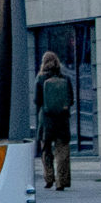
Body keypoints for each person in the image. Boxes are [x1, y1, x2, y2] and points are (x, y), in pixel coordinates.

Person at [34, 51, 74, 191]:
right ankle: (61, 181)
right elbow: (71, 100)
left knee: (46, 150)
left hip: (45, 120)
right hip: (62, 120)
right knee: (62, 150)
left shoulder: (40, 79)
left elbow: (36, 101)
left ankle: (49, 178)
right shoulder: (66, 78)